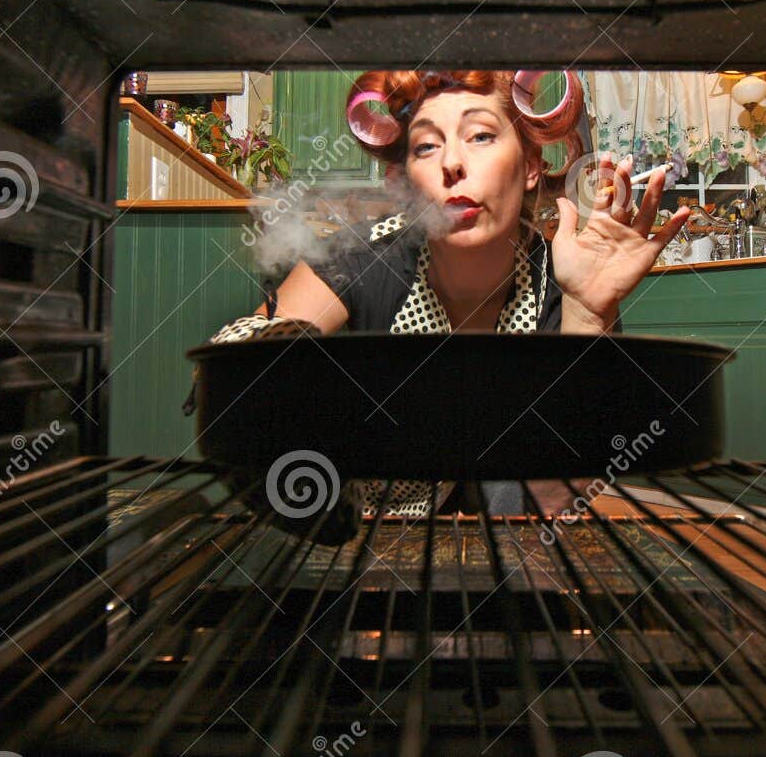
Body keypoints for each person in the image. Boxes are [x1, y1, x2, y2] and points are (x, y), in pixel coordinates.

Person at [204, 69, 691, 519]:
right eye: (426, 147)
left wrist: (587, 312)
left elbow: (554, 500)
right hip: (378, 530)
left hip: (516, 532)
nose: (453, 163)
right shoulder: (363, 258)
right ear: (405, 184)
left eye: (481, 136)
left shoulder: (570, 279)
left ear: (529, 167)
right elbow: (244, 385)